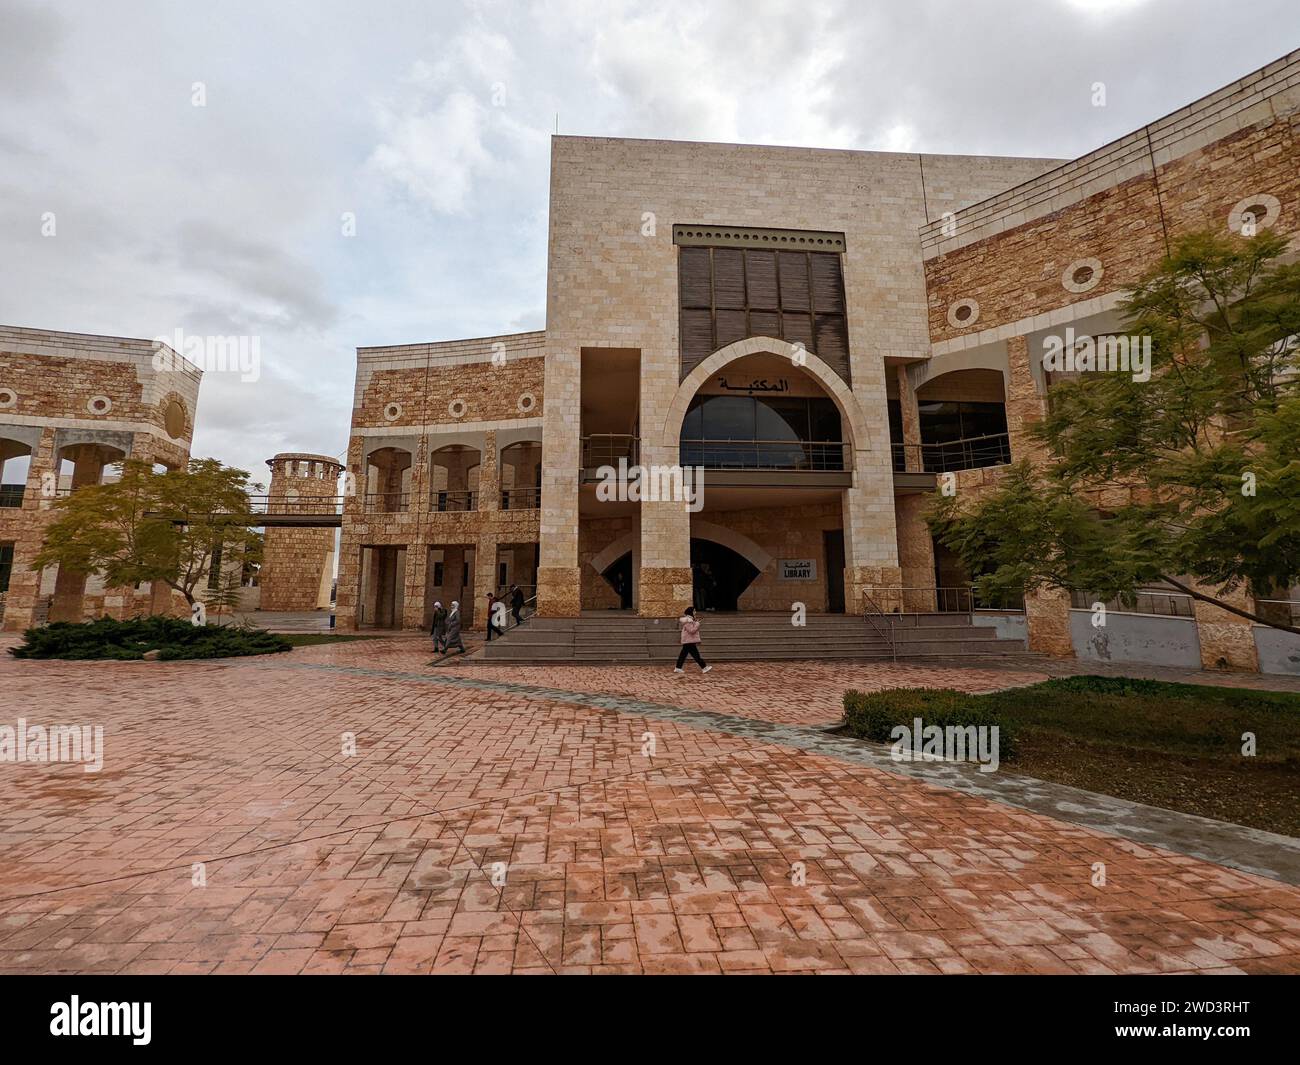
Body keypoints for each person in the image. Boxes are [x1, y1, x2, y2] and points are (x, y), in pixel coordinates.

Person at [674, 606, 711, 674]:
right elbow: (691, 630)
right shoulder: (688, 620)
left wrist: (695, 622)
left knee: (683, 655)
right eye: (694, 611)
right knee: (696, 655)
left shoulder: (690, 620)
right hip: (689, 641)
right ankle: (704, 667)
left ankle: (678, 668)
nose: (695, 612)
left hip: (688, 641)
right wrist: (697, 624)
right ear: (691, 612)